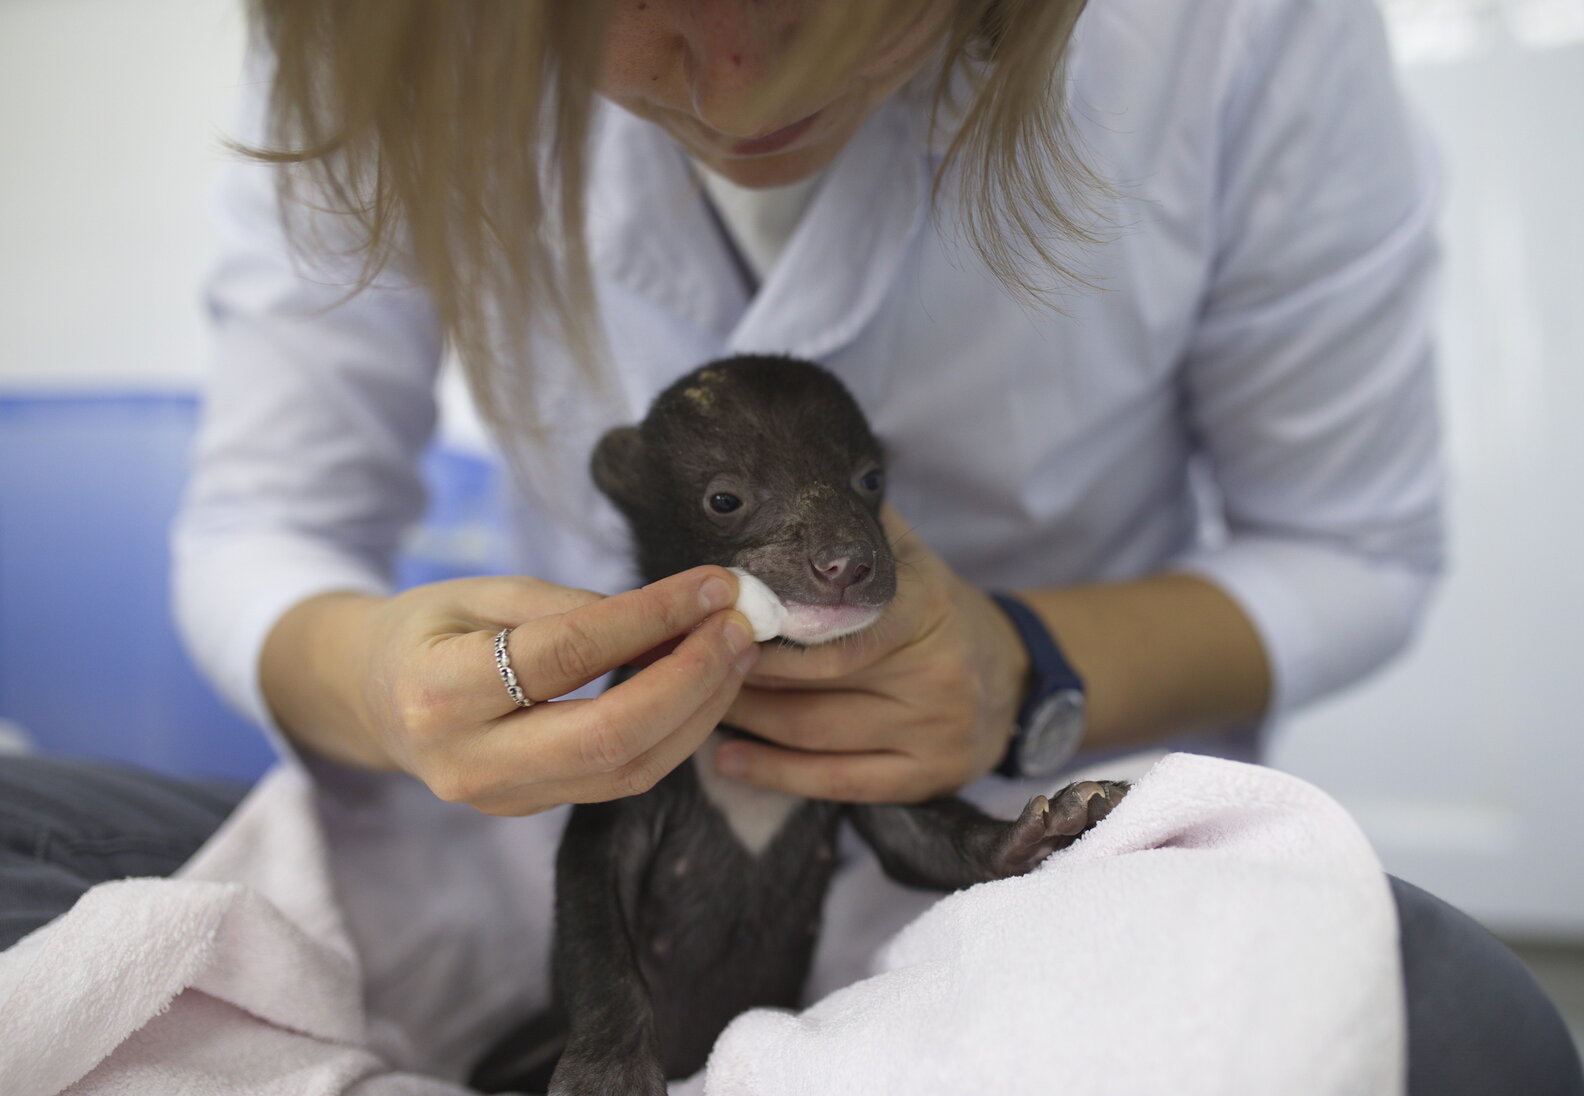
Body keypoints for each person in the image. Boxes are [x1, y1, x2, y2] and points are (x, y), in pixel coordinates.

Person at [0, 1, 1578, 1093]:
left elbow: (1353, 549)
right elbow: (264, 522)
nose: (738, 78)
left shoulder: (1234, 37)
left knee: (1462, 1037)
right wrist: (379, 681)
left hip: (1013, 882)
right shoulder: (384, 38)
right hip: (503, 870)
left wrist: (1027, 667)